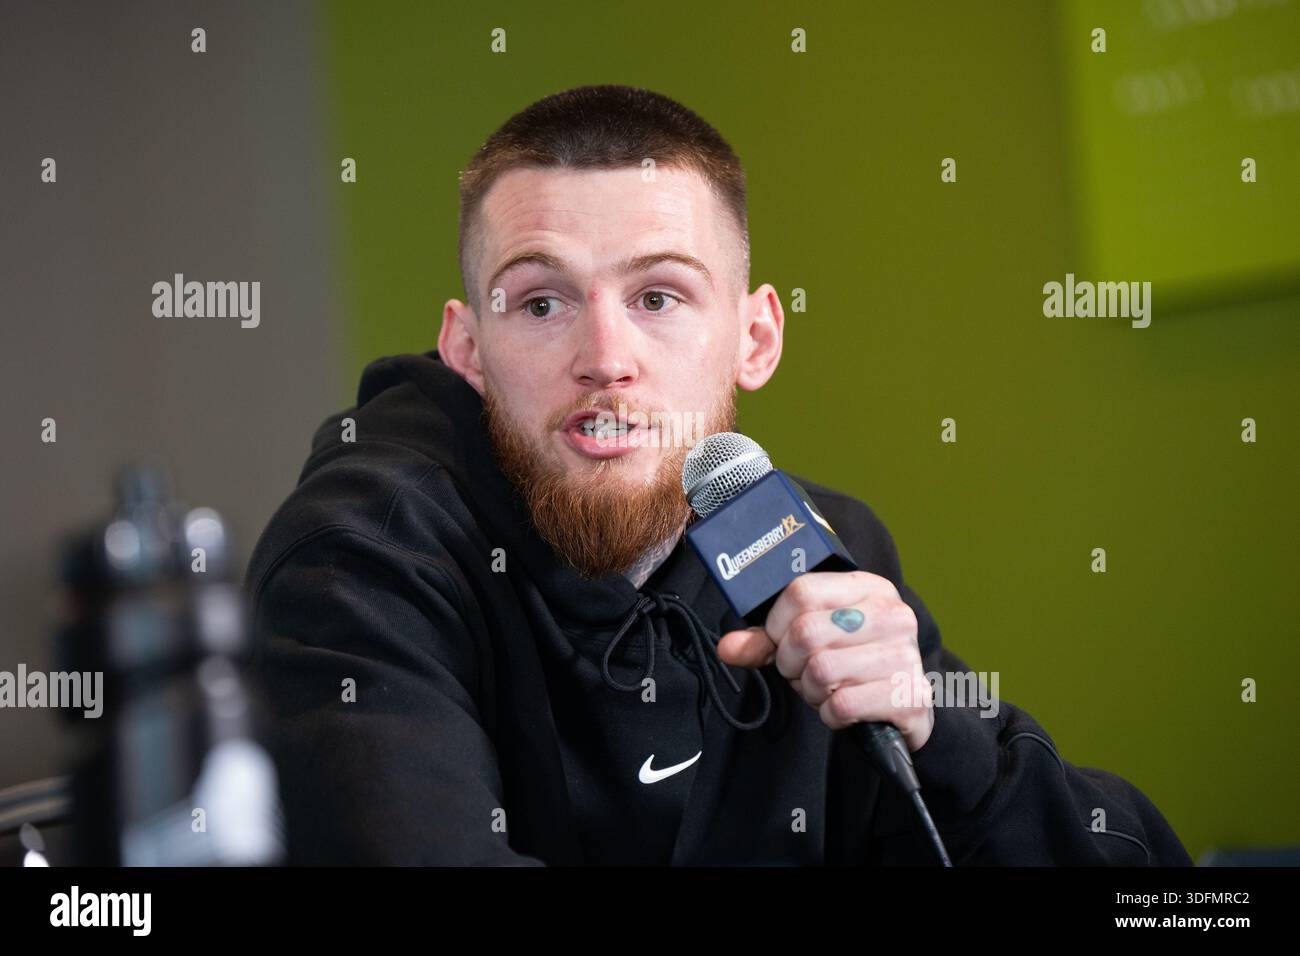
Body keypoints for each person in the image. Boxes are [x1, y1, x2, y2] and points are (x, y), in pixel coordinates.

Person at [246, 84, 1191, 865]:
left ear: (755, 337)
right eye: (541, 303)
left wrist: (939, 738)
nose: (605, 355)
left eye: (659, 296)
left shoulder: (807, 548)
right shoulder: (363, 557)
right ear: (468, 350)